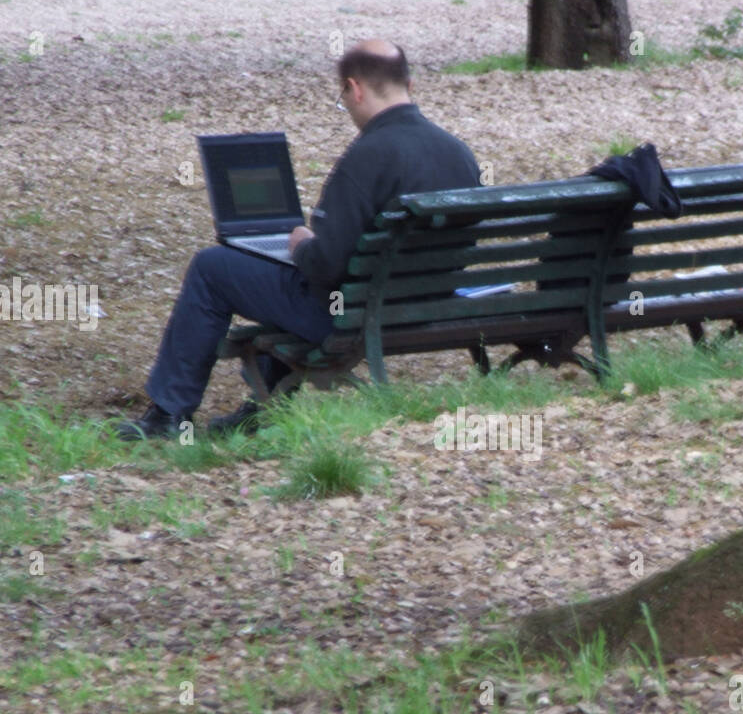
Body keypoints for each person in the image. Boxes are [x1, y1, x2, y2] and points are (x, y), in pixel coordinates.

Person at [115, 39, 481, 440]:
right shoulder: (458, 152)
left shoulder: (368, 156)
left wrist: (301, 244)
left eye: (344, 96)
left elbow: (326, 267)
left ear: (354, 88)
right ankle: (264, 407)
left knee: (212, 267)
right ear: (408, 84)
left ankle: (169, 415)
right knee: (286, 277)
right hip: (429, 306)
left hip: (352, 317)